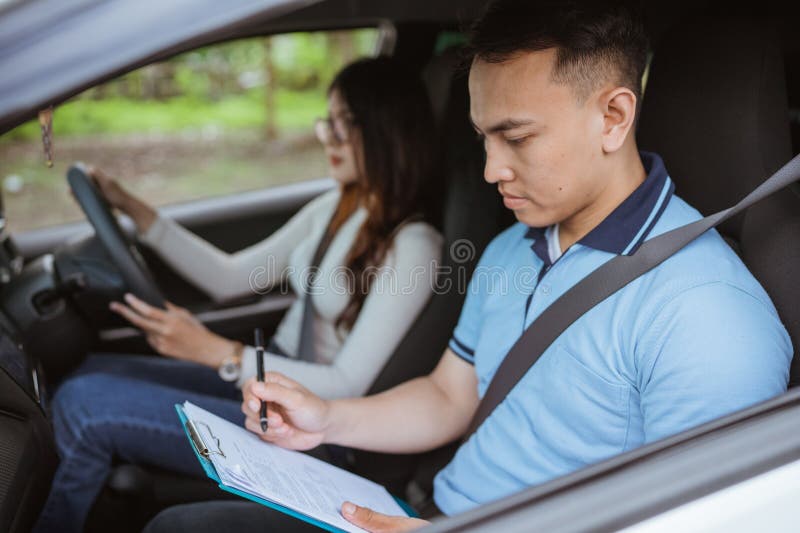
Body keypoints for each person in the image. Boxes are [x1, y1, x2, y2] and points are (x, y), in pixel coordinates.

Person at [144, 1, 793, 532]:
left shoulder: (709, 315)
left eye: (516, 137)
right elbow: (452, 393)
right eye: (483, 137)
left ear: (613, 117)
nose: (490, 171)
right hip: (426, 507)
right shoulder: (514, 246)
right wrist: (327, 417)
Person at [33, 57, 444, 533]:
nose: (327, 136)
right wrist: (134, 210)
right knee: (87, 371)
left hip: (311, 427)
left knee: (85, 407)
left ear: (387, 128)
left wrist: (218, 353)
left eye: (344, 124)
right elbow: (232, 277)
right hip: (269, 384)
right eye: (326, 122)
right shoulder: (338, 204)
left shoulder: (415, 246)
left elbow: (347, 384)